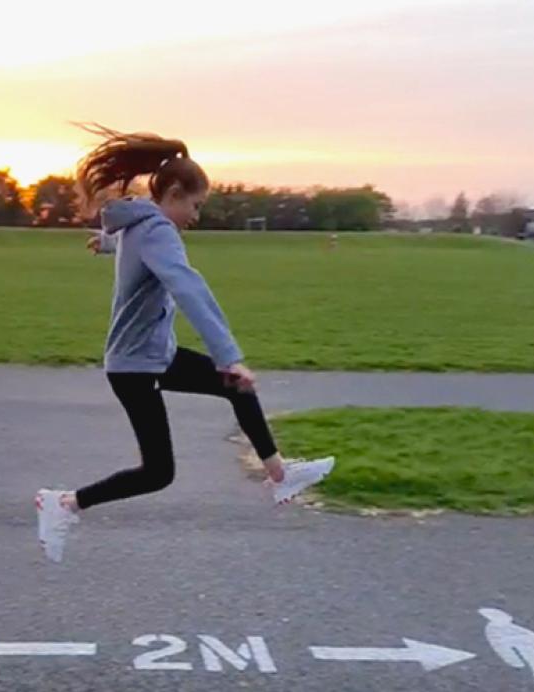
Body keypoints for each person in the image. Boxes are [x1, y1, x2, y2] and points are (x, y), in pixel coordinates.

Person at [36, 125, 334, 563]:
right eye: (195, 205)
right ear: (174, 193)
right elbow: (188, 288)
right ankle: (62, 504)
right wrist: (228, 354)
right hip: (136, 368)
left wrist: (106, 243)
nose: (197, 216)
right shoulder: (157, 231)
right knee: (159, 472)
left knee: (236, 388)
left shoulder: (141, 224)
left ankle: (279, 476)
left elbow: (129, 242)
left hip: (155, 357)